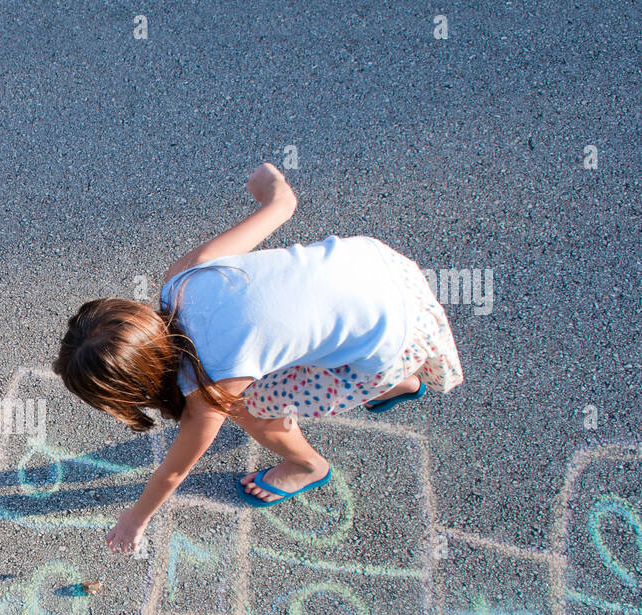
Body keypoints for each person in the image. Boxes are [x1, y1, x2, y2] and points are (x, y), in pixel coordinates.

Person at [53, 163, 463, 554]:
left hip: (391, 337)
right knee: (288, 342)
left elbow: (173, 472)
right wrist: (269, 184)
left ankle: (307, 465)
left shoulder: (210, 388)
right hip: (382, 267)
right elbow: (281, 205)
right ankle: (398, 383)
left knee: (251, 407)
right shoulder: (180, 277)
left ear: (136, 388)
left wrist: (134, 520)